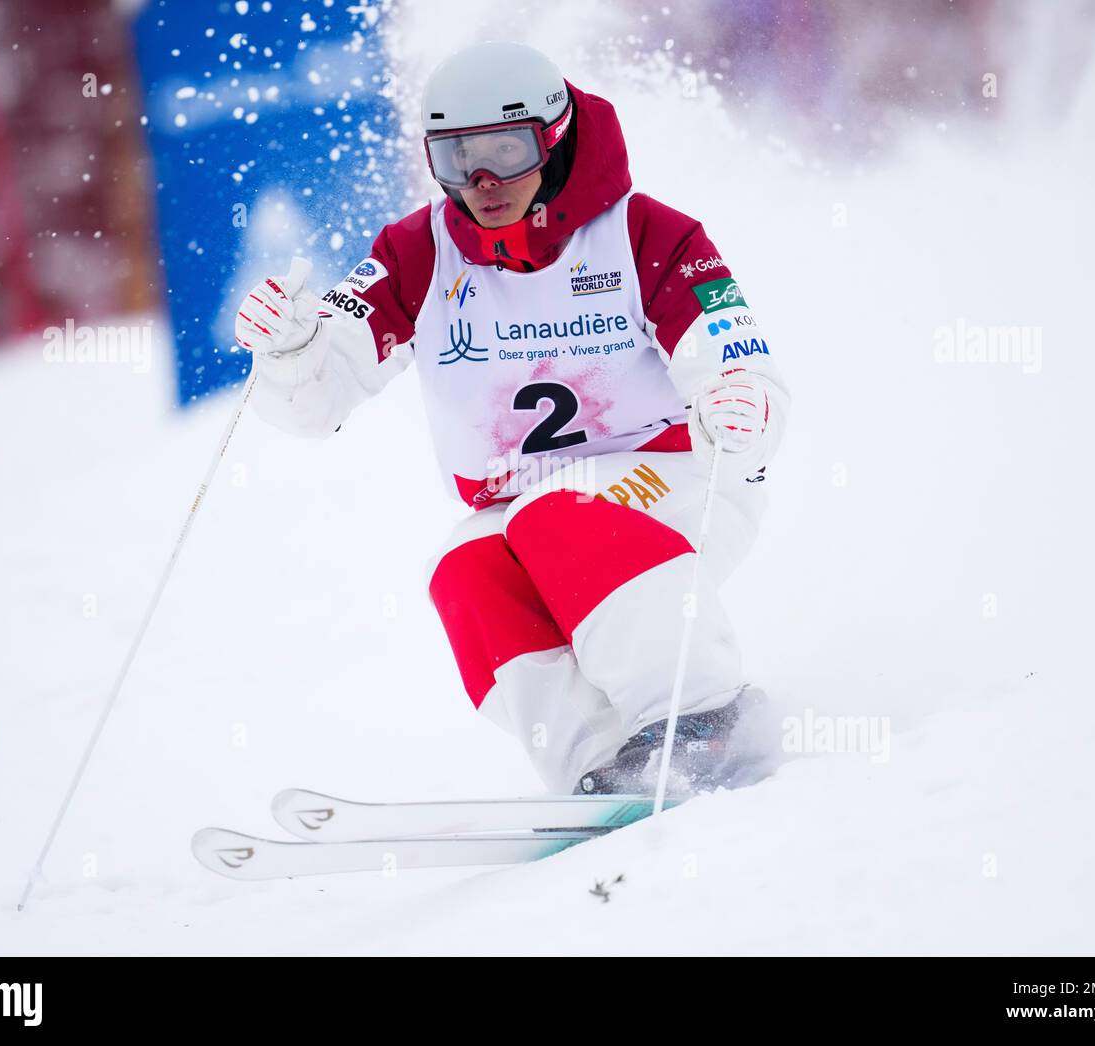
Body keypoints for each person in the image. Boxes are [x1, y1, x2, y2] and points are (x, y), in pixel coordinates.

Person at [233, 41, 791, 796]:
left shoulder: (645, 235)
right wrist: (293, 354)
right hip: (523, 510)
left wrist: (741, 401)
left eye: (506, 150)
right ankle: (598, 763)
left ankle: (709, 716)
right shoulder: (418, 253)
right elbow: (319, 397)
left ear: (554, 138)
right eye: (456, 159)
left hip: (683, 481)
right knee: (465, 571)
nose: (483, 182)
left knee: (556, 515)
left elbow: (738, 356)